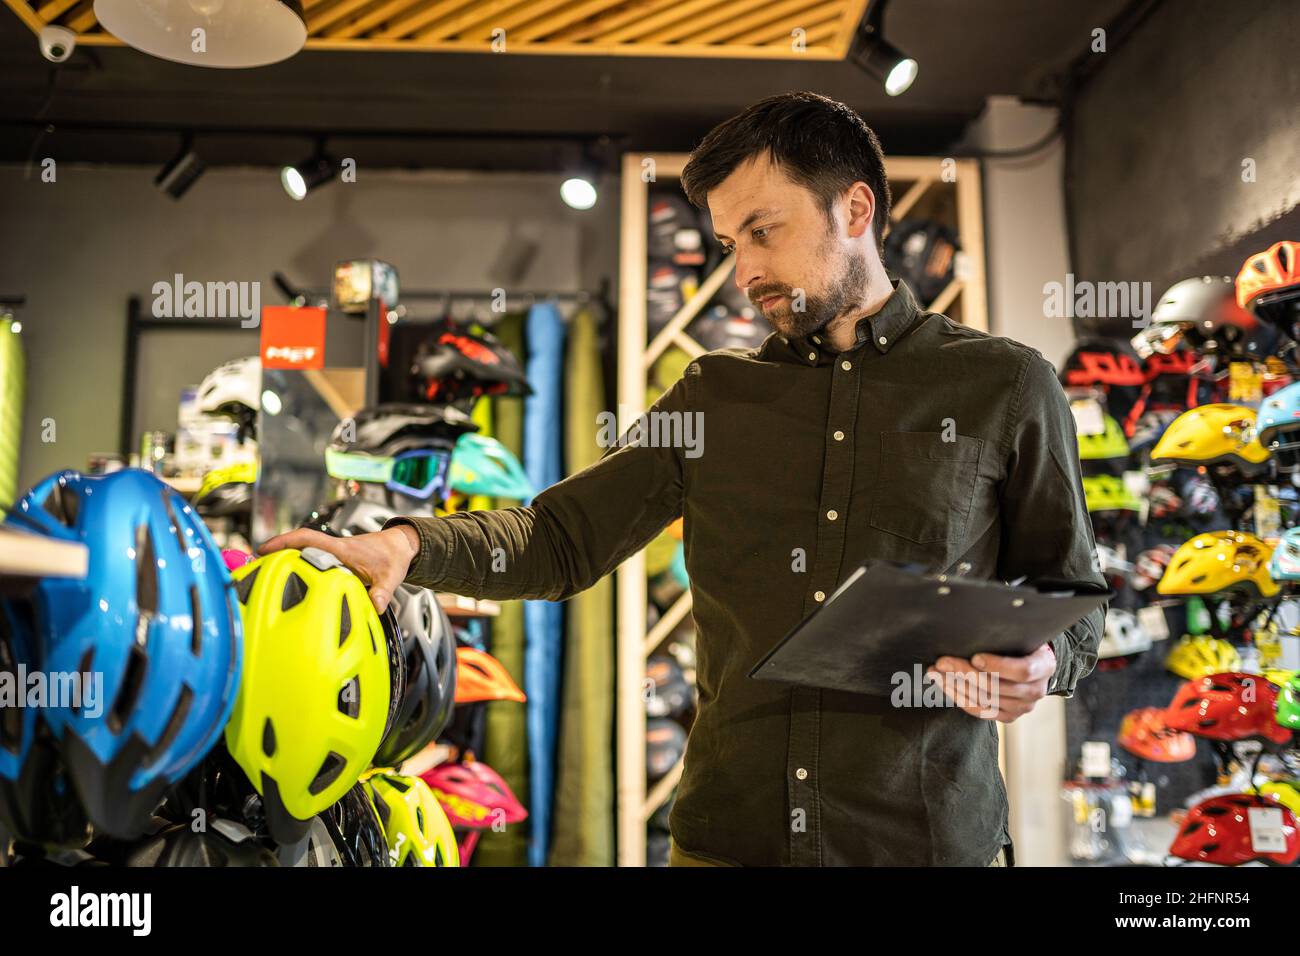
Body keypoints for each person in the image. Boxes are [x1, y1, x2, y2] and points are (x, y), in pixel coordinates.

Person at [263, 90, 1106, 867]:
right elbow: (560, 538)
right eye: (731, 245)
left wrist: (1043, 663)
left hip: (925, 845)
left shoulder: (1006, 386)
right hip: (728, 843)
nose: (743, 274)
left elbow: (1073, 601)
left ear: (855, 208)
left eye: (763, 233)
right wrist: (407, 544)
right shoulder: (715, 395)